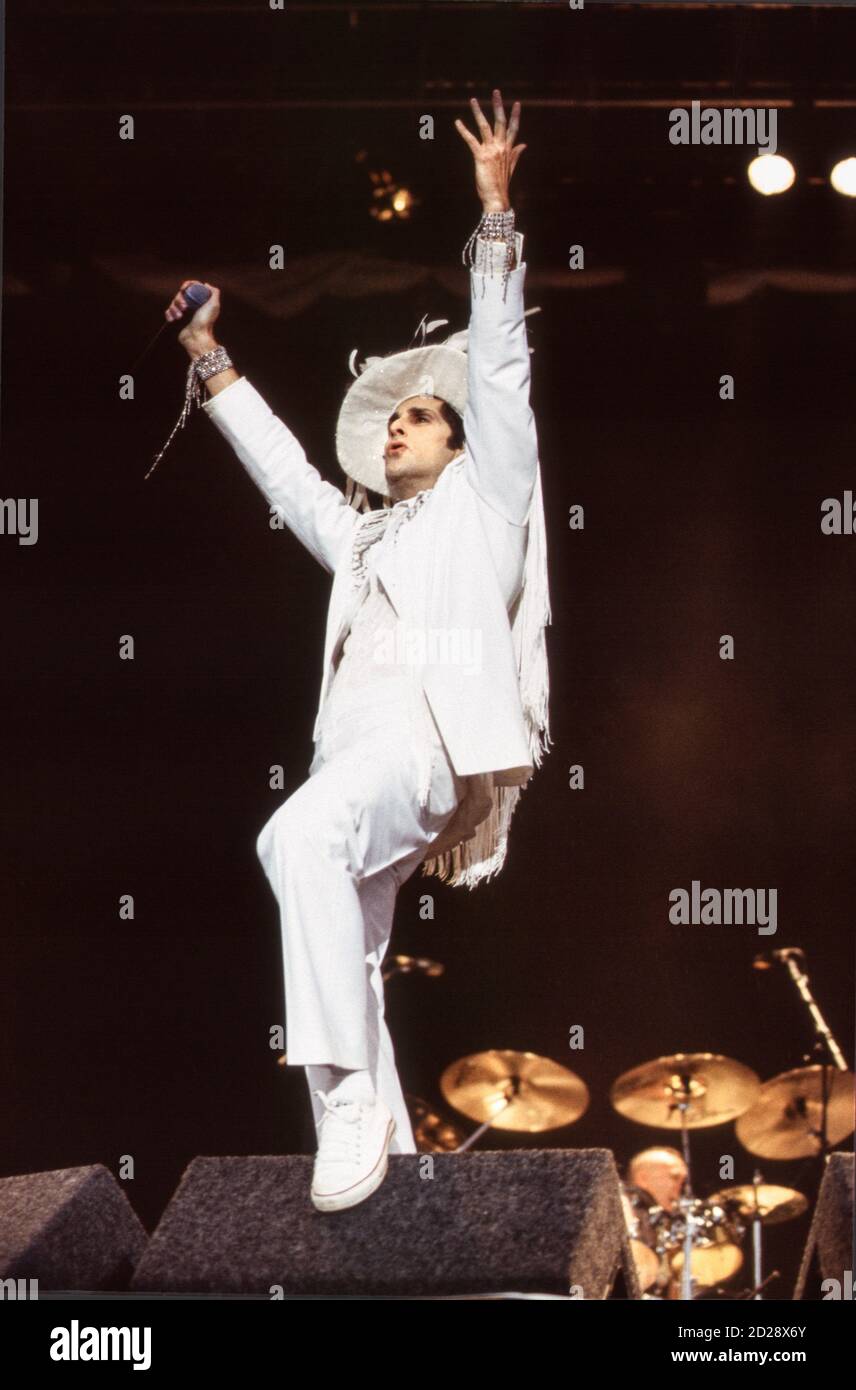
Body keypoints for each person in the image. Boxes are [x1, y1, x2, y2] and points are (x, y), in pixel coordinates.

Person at [162, 89, 551, 1212]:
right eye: (391, 420)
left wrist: (492, 214)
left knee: (296, 837)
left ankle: (343, 1103)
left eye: (421, 415)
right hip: (353, 746)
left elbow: (502, 370)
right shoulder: (364, 534)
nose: (397, 424)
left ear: (462, 441)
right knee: (349, 931)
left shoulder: (491, 504)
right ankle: (402, 1175)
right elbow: (289, 473)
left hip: (424, 746)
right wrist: (212, 358)